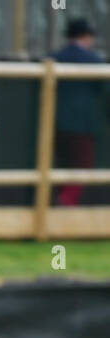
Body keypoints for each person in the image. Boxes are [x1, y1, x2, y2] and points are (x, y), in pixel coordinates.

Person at [53, 18, 107, 206]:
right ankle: (65, 203)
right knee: (82, 166)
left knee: (60, 166)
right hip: (83, 125)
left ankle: (62, 203)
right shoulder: (94, 60)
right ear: (86, 36)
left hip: (53, 122)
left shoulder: (55, 56)